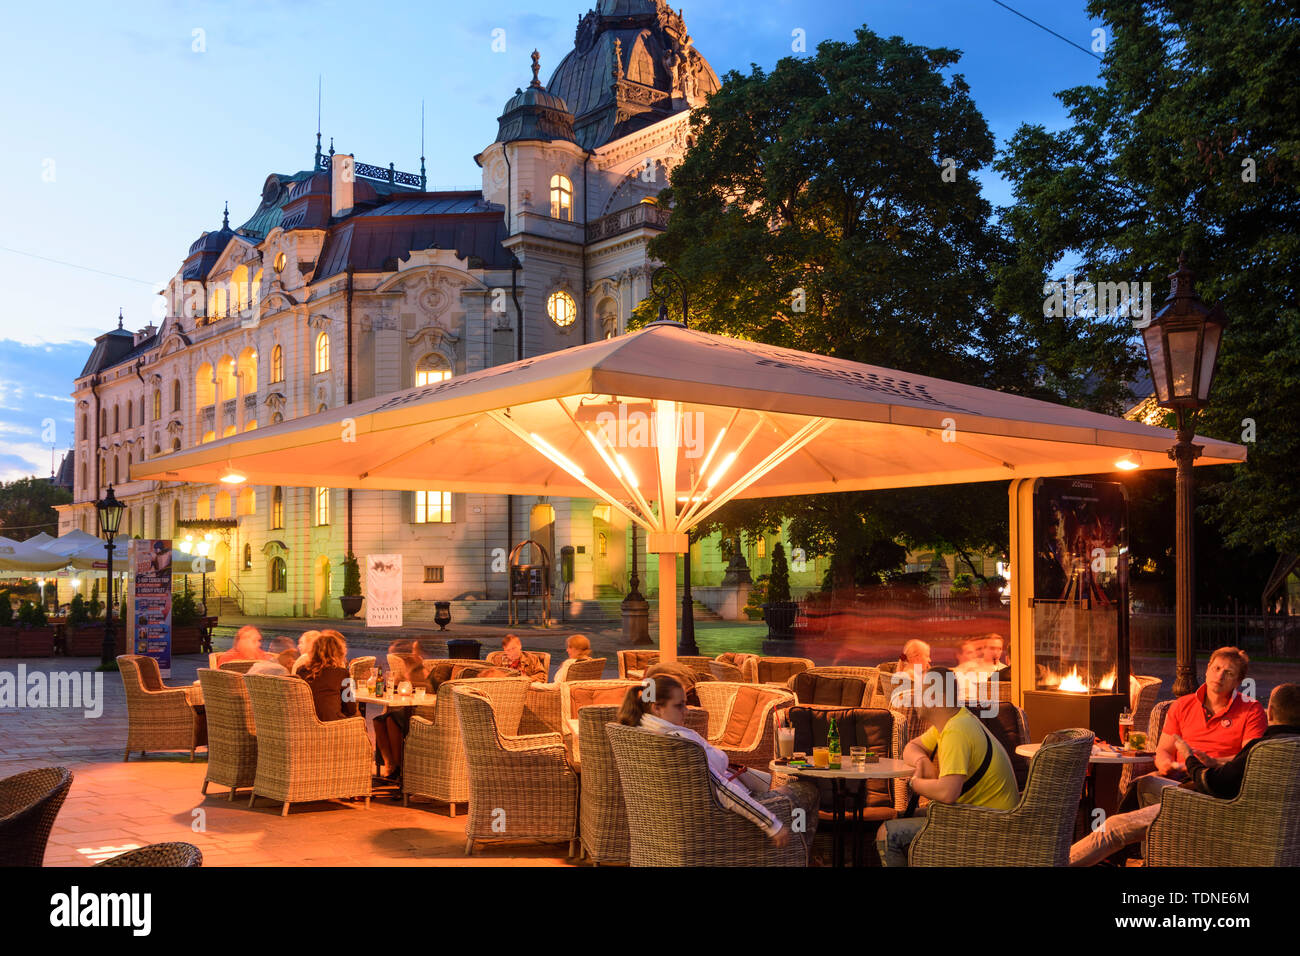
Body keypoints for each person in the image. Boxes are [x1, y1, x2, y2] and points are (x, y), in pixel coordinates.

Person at [1070, 682, 1299, 866]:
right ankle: (1137, 857)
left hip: (1208, 809)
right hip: (1244, 813)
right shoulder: (1288, 746)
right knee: (1144, 785)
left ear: (1272, 712)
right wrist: (1215, 762)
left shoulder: (1263, 748)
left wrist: (1190, 758)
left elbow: (1214, 784)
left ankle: (1057, 862)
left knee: (1112, 827)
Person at [617, 674, 817, 850]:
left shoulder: (641, 734)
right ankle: (799, 854)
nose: (685, 711)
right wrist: (771, 824)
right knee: (807, 790)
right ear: (657, 708)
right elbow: (723, 788)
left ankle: (792, 852)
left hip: (682, 820)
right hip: (721, 815)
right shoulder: (679, 743)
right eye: (679, 705)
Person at [877, 669, 1020, 866]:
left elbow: (948, 793)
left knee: (887, 833)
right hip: (980, 816)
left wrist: (915, 784)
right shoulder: (954, 722)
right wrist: (922, 761)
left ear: (934, 696)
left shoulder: (956, 731)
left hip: (989, 826)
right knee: (898, 817)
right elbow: (911, 747)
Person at [1132, 646, 1266, 807]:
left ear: (1238, 682)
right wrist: (1166, 765)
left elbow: (1251, 759)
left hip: (1218, 780)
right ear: (1208, 669)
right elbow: (1164, 750)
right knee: (1137, 786)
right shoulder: (1182, 705)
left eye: (1229, 673)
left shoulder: (1251, 709)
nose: (1220, 676)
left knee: (1142, 793)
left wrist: (1213, 762)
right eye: (1216, 668)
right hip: (1180, 777)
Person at [294, 630, 357, 723]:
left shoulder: (300, 671)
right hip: (330, 725)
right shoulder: (343, 673)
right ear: (339, 652)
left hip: (304, 723)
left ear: (313, 651)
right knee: (358, 718)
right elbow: (350, 709)